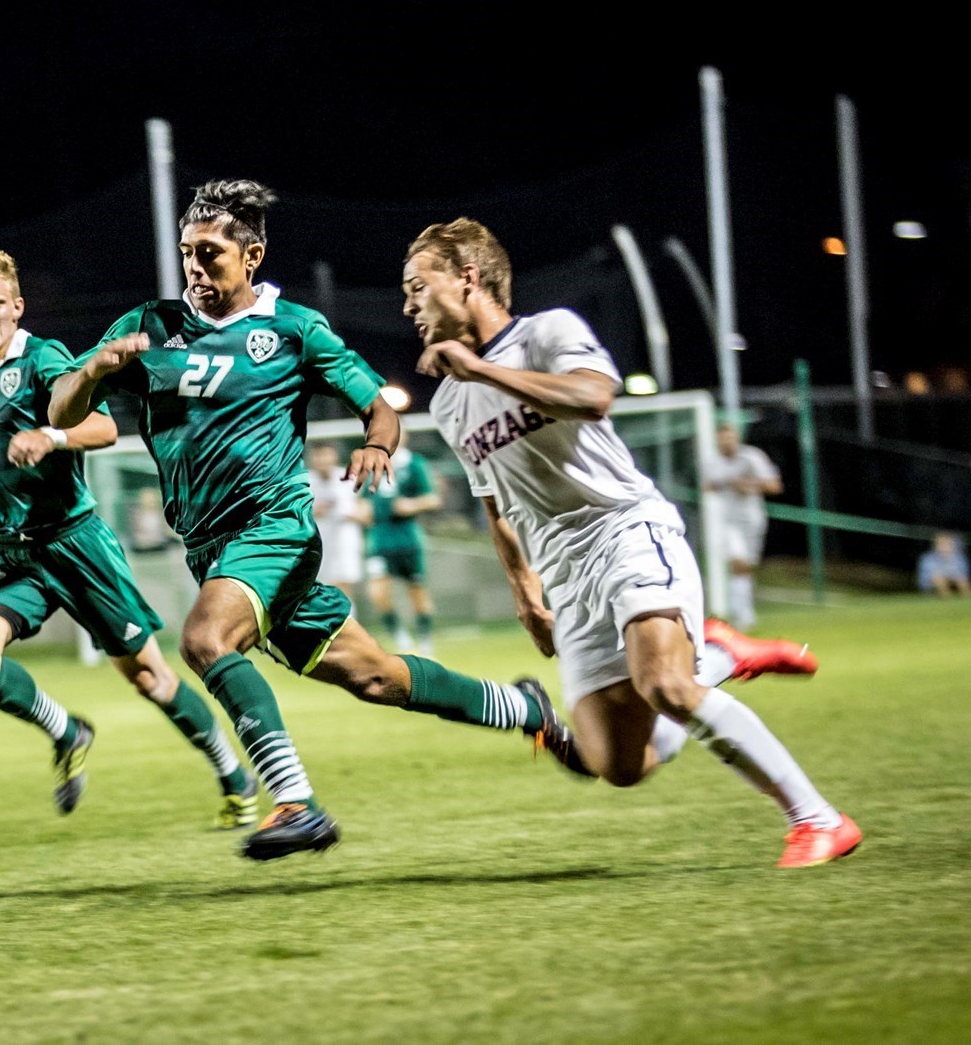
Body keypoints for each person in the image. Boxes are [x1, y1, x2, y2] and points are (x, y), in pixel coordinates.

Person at [50, 182, 577, 861]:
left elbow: (377, 403)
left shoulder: (293, 330)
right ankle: (526, 709)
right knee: (376, 677)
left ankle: (295, 803)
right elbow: (62, 413)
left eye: (211, 254)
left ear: (253, 256)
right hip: (213, 549)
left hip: (275, 531)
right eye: (187, 254)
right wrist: (95, 368)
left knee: (207, 640)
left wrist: (378, 443)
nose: (196, 268)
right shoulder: (147, 325)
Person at [406, 216, 860, 868]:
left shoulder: (546, 333)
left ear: (468, 279)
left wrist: (483, 370)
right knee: (616, 765)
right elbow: (493, 502)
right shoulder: (449, 402)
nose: (407, 305)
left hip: (626, 530)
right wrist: (524, 592)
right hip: (563, 574)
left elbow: (593, 397)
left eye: (416, 287)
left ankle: (818, 819)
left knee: (667, 687)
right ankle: (722, 655)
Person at [0, 249, 258, 825]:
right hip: (14, 553)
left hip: (75, 544)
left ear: (16, 308)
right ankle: (66, 731)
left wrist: (50, 437)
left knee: (148, 678)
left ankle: (232, 774)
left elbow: (104, 426)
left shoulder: (43, 360)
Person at [702, 423, 782, 629]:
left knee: (746, 565)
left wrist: (748, 485)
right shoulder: (711, 461)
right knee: (736, 561)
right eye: (722, 438)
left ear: (737, 438)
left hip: (751, 518)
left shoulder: (753, 457)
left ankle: (743, 609)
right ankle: (740, 615)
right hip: (725, 521)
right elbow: (706, 486)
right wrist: (722, 484)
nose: (726, 442)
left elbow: (774, 485)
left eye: (730, 437)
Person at [366, 440, 442, 654]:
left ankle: (426, 641)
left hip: (408, 540)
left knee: (417, 592)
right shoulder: (371, 464)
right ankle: (399, 636)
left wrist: (411, 505)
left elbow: (433, 498)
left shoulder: (414, 464)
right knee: (378, 593)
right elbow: (364, 501)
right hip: (379, 541)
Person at [306, 444, 366, 607]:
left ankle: (348, 620)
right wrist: (313, 512)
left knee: (344, 582)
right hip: (317, 542)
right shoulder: (305, 482)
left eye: (326, 455)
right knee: (319, 586)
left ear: (334, 456)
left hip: (345, 541)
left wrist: (347, 512)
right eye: (318, 456)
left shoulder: (350, 478)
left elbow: (366, 514)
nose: (323, 461)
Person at [917, 532, 969, 596]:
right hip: (931, 584)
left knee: (961, 580)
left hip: (952, 581)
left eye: (947, 545)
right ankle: (945, 599)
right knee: (939, 580)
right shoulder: (928, 558)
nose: (945, 547)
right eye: (942, 545)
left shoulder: (959, 558)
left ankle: (966, 597)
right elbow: (929, 577)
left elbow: (962, 574)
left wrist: (952, 577)